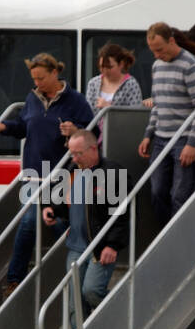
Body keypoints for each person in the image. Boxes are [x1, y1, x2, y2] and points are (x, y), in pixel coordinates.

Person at [0, 53, 93, 294]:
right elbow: (24, 126)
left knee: (46, 220)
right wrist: (2, 127)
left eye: (41, 78)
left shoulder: (75, 100)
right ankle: (15, 279)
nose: (37, 83)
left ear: (55, 73)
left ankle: (76, 250)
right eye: (34, 78)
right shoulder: (32, 98)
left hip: (61, 171)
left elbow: (93, 130)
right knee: (28, 223)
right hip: (34, 172)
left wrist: (75, 129)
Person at [42, 129, 131, 312]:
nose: (74, 158)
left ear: (93, 149)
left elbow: (122, 215)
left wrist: (113, 245)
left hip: (100, 246)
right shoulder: (73, 170)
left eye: (78, 153)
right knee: (75, 305)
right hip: (76, 247)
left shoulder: (113, 172)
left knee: (91, 292)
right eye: (71, 153)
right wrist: (52, 210)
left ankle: (124, 316)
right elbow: (62, 200)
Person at [137, 23, 195, 227]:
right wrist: (147, 135)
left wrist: (192, 143)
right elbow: (157, 104)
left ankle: (179, 240)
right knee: (157, 191)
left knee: (180, 194)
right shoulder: (157, 66)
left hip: (184, 139)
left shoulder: (191, 65)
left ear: (172, 41)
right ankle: (164, 236)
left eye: (160, 49)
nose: (157, 55)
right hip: (160, 138)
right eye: (152, 51)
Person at [84, 43, 144, 110]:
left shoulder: (131, 85)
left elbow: (135, 115)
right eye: (101, 67)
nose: (105, 71)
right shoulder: (93, 84)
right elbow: (88, 113)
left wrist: (109, 109)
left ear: (121, 64)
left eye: (109, 67)